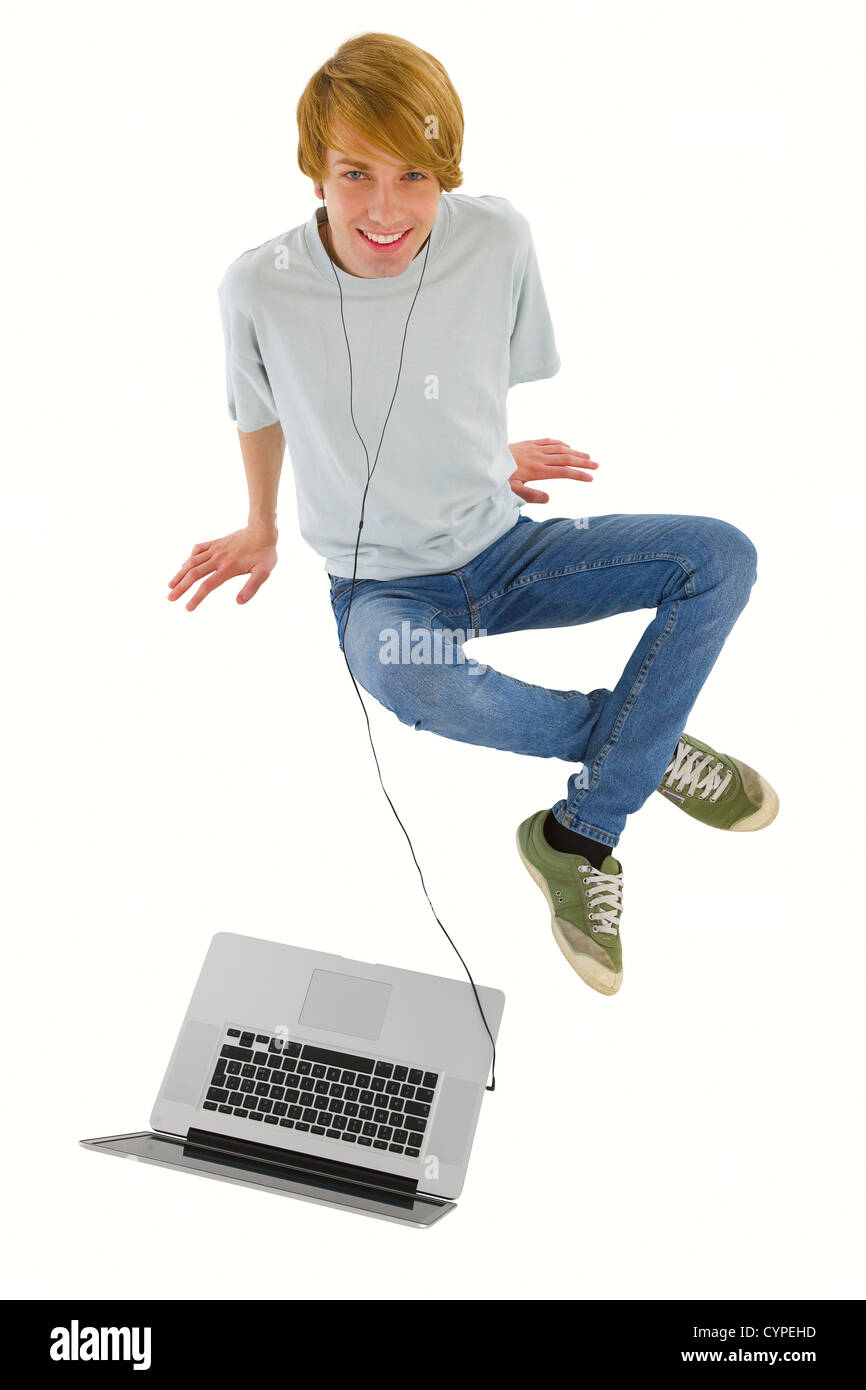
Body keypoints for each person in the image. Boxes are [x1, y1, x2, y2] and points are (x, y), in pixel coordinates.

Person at [167, 31, 778, 997]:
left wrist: (489, 457)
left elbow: (455, 379)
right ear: (312, 168)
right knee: (416, 683)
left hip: (509, 551)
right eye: (353, 173)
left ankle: (580, 826)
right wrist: (259, 524)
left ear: (446, 167)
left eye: (414, 174)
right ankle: (639, 750)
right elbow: (266, 408)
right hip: (386, 591)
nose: (383, 208)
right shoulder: (259, 286)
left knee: (720, 556)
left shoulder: (497, 237)